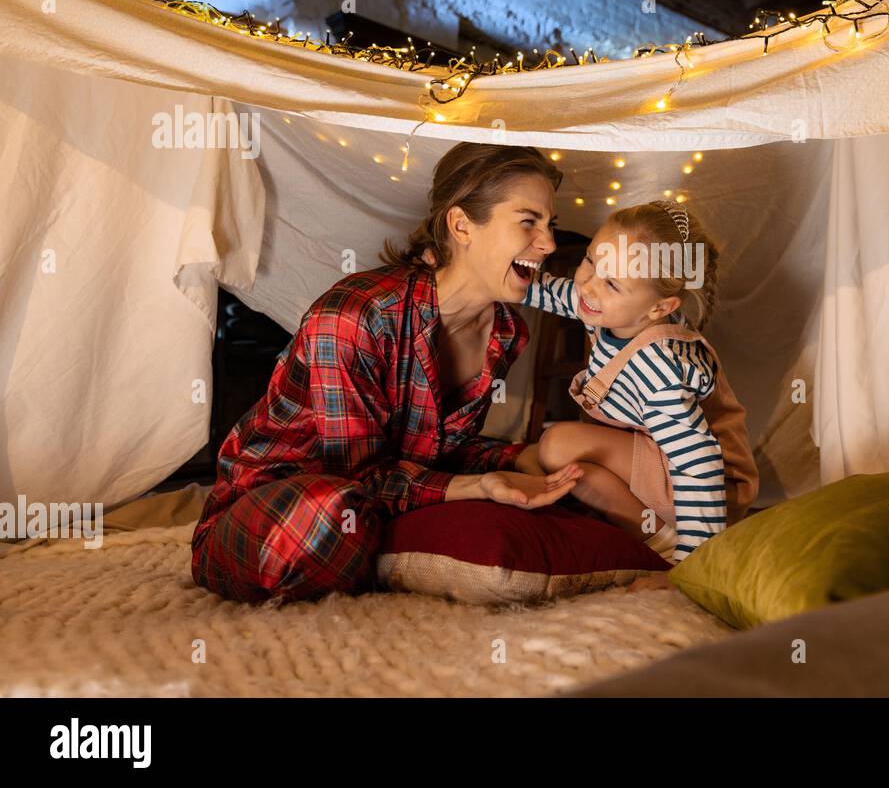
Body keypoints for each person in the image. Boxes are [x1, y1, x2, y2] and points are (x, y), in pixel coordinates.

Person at [190, 141, 582, 602]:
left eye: (550, 225)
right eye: (528, 221)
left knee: (558, 490)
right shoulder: (353, 315)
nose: (550, 244)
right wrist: (474, 485)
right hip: (281, 506)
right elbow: (357, 478)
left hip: (380, 499)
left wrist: (521, 461)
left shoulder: (508, 332)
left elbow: (434, 452)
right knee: (336, 512)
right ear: (461, 225)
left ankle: (397, 553)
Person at [517, 200, 758, 564]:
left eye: (612, 283)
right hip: (661, 465)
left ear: (659, 309)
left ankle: (665, 547)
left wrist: (694, 562)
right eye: (589, 261)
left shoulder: (659, 366)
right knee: (545, 464)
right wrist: (491, 271)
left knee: (556, 444)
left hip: (706, 492)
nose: (588, 286)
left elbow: (698, 463)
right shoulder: (609, 309)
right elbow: (548, 291)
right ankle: (643, 531)